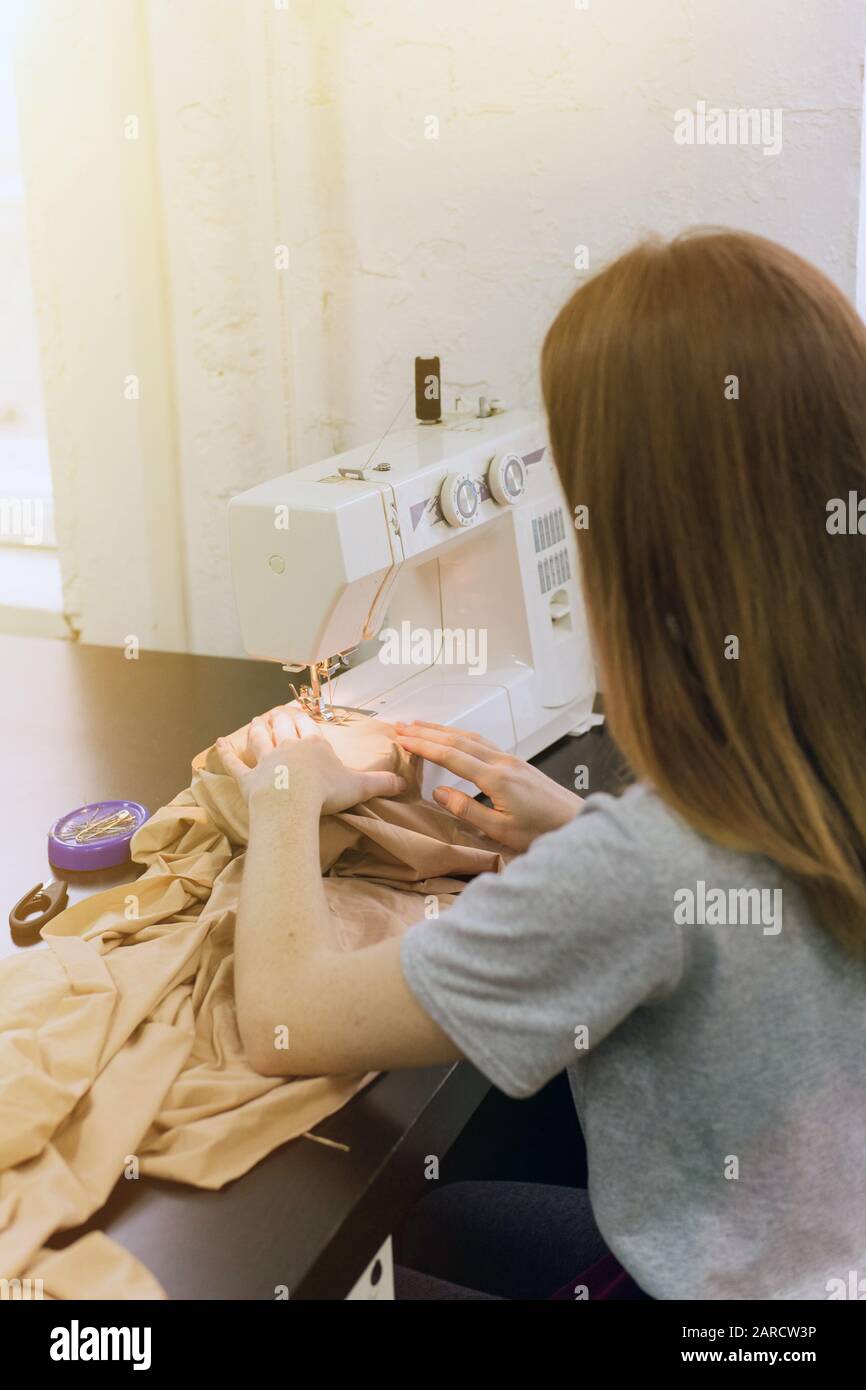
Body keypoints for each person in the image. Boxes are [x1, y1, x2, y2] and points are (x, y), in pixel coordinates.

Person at [217, 229, 866, 1300]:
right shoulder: (806, 776)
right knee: (451, 1221)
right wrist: (570, 835)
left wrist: (284, 800)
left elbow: (287, 1016)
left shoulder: (650, 865)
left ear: (636, 545)